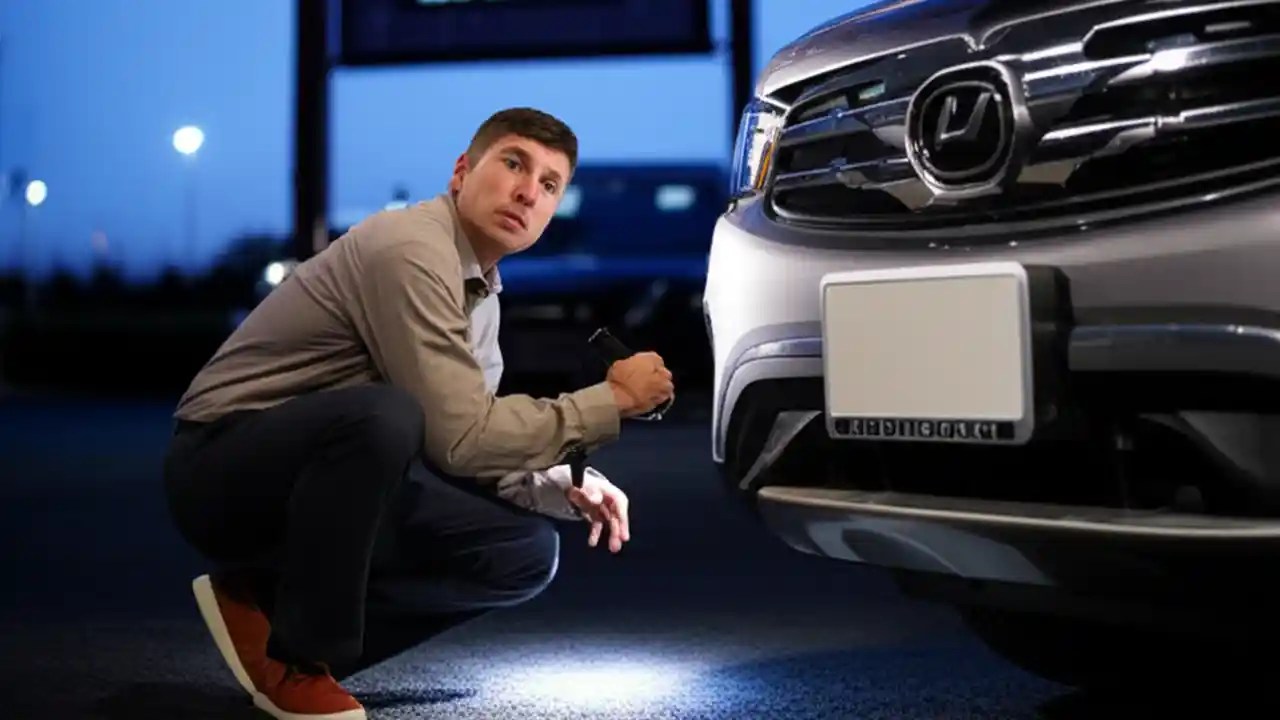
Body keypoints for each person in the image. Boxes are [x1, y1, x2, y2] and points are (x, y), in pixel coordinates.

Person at [162, 107, 675, 720]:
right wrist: (612, 401)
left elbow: (470, 437)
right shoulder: (409, 247)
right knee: (384, 417)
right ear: (462, 171)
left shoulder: (481, 294)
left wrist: (561, 481)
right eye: (513, 164)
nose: (526, 192)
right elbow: (458, 439)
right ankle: (300, 658)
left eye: (548, 185)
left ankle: (264, 619)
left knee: (523, 553)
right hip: (221, 466)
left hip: (318, 477)